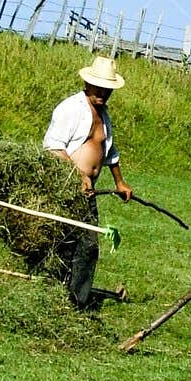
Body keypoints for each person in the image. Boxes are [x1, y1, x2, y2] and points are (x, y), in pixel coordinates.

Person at [42, 55, 134, 309]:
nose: (104, 93)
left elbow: (110, 152)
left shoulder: (104, 115)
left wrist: (120, 182)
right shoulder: (70, 108)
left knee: (88, 246)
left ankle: (75, 302)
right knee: (66, 243)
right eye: (100, 87)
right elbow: (53, 148)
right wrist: (79, 176)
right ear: (88, 84)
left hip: (88, 193)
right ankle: (57, 295)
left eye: (108, 89)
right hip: (66, 188)